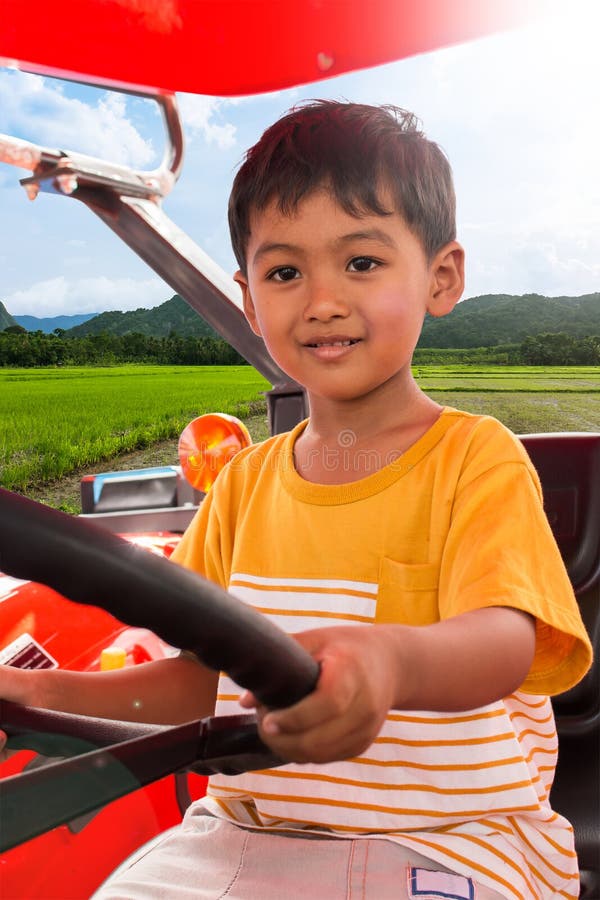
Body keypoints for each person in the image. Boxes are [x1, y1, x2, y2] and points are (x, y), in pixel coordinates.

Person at [0, 101, 592, 899]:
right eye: (285, 272)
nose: (320, 301)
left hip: (451, 845)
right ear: (251, 303)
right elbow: (192, 687)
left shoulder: (475, 459)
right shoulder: (242, 484)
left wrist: (388, 662)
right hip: (242, 839)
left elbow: (503, 643)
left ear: (441, 278)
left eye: (361, 263)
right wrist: (37, 693)